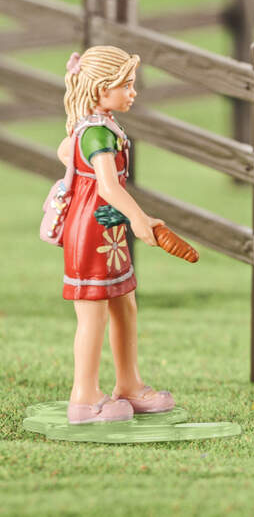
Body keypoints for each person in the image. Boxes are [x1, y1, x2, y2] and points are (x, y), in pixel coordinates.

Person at [57, 46, 174, 424]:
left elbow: (64, 152)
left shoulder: (99, 127)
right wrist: (139, 220)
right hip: (91, 234)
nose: (132, 92)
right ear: (100, 90)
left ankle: (129, 384)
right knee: (93, 315)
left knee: (124, 305)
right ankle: (84, 397)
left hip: (106, 229)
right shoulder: (95, 134)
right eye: (125, 86)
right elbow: (108, 186)